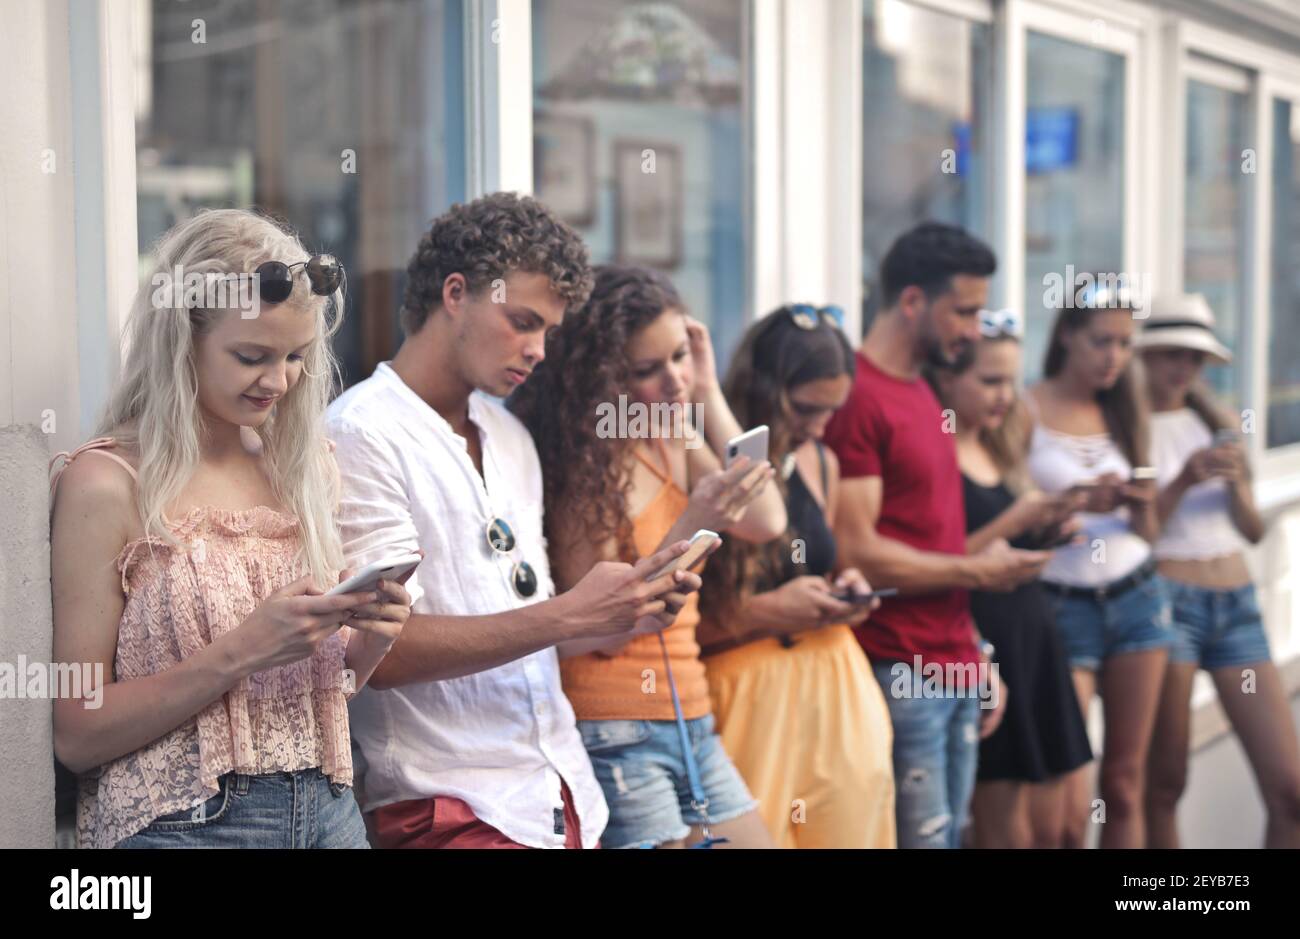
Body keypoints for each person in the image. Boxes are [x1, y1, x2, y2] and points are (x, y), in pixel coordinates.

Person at [328, 194, 703, 849]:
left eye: (549, 332)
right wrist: (570, 615)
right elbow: (382, 651)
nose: (537, 351)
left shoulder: (509, 436)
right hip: (447, 803)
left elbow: (529, 621)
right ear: (455, 294)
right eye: (522, 321)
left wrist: (627, 610)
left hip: (562, 794)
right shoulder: (360, 434)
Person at [50, 208, 413, 848]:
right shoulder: (107, 483)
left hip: (330, 812)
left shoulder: (306, 469)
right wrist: (243, 650)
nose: (278, 381)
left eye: (297, 356)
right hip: (184, 825)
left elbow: (308, 707)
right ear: (181, 340)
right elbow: (77, 733)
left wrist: (371, 644)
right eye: (252, 356)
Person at [510, 264, 786, 848]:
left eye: (680, 357)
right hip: (615, 723)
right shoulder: (584, 462)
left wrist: (708, 392)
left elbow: (767, 520)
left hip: (691, 713)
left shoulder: (670, 432)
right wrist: (694, 521)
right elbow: (602, 624)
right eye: (648, 370)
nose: (674, 382)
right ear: (601, 376)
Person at [826, 222, 1048, 849]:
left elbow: (935, 538)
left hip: (950, 662)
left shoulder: (923, 389)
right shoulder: (859, 396)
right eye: (966, 311)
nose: (975, 330)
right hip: (899, 665)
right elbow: (856, 551)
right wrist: (979, 573)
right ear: (913, 301)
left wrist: (975, 653)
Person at [696, 304, 896, 849]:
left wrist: (842, 592)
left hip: (837, 685)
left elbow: (814, 566)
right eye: (807, 408)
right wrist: (763, 613)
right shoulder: (707, 454)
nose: (818, 426)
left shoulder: (820, 461)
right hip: (744, 693)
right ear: (765, 389)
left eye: (833, 410)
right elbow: (658, 635)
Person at [926, 308, 1093, 848]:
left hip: (1032, 633)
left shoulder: (998, 443)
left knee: (1064, 825)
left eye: (1012, 382)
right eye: (990, 380)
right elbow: (937, 563)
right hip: (981, 639)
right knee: (1004, 830)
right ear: (947, 377)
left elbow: (999, 546)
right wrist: (1015, 519)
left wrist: (1043, 530)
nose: (1004, 396)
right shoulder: (935, 451)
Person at [1138, 293, 1300, 848]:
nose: (1183, 368)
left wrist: (1233, 482)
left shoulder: (1218, 420)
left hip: (1236, 603)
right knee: (1164, 784)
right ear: (1147, 355)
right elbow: (1140, 537)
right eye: (1171, 355)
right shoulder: (1128, 426)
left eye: (1194, 358)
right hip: (1167, 603)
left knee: (1291, 790)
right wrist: (1182, 480)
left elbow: (1253, 530)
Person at [1024, 286, 1172, 849]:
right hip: (1063, 603)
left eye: (1125, 344)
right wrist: (1079, 502)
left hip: (1136, 596)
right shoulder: (1025, 406)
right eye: (1101, 341)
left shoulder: (1128, 408)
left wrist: (1135, 502)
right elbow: (1009, 511)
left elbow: (1151, 531)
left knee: (1126, 784)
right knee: (1066, 797)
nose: (1114, 357)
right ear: (1067, 335)